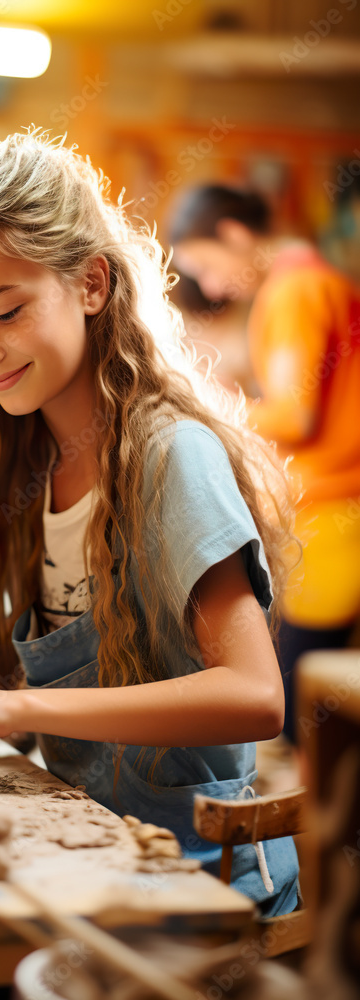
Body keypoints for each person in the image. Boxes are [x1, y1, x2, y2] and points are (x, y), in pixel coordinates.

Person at [0, 130, 300, 917]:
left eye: (4, 311)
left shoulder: (169, 457)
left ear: (92, 283)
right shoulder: (20, 467)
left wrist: (11, 709)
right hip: (83, 855)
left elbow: (254, 694)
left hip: (197, 877)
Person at [168, 185, 360, 746]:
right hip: (332, 509)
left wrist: (200, 402)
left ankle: (304, 830)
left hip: (330, 514)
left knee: (296, 706)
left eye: (206, 265)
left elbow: (295, 414)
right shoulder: (313, 277)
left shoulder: (294, 288)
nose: (210, 286)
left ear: (234, 233)